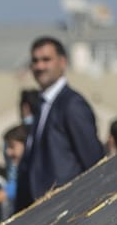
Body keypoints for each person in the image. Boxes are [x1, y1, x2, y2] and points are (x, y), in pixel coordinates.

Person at [14, 37, 104, 211]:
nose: (40, 66)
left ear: (62, 62)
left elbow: (92, 159)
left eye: (46, 60)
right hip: (39, 209)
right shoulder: (42, 106)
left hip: (66, 207)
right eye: (35, 61)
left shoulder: (71, 104)